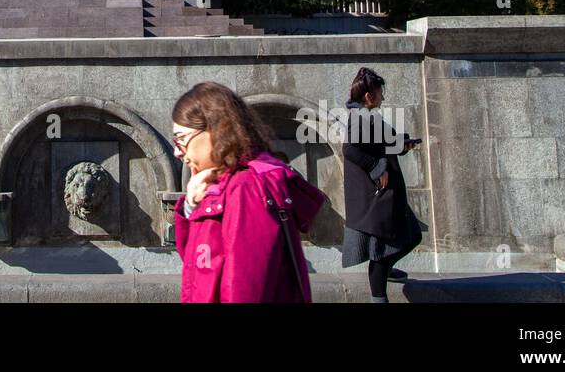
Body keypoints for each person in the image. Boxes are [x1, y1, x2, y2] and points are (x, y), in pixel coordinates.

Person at [171, 81, 324, 303]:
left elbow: (246, 288)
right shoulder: (222, 185)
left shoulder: (246, 187)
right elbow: (197, 266)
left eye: (181, 139)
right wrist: (191, 207)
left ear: (215, 130)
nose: (177, 151)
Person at [341, 67, 423, 303]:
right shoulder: (361, 117)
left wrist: (403, 144)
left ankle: (385, 273)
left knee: (411, 235)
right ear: (369, 96)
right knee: (381, 250)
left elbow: (383, 143)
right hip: (376, 197)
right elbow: (350, 150)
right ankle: (379, 298)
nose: (382, 98)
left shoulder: (366, 116)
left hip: (384, 196)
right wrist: (377, 169)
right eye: (380, 93)